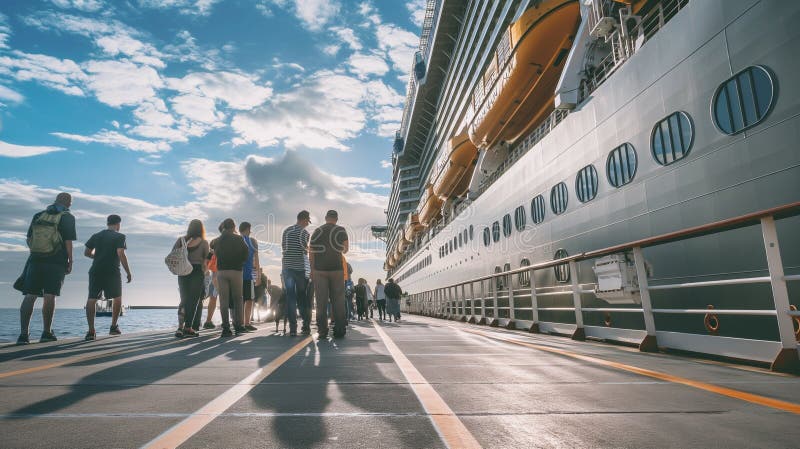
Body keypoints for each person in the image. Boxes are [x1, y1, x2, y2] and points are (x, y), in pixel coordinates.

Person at [17, 192, 77, 344]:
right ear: (69, 203)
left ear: (56, 200)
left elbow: (29, 238)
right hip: (56, 261)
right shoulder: (67, 217)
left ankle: (23, 335)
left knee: (30, 295)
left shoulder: (38, 215)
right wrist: (70, 261)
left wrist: (36, 252)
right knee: (50, 295)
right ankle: (46, 332)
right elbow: (68, 241)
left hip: (35, 259)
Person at [83, 214, 131, 340]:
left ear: (107, 223)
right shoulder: (120, 236)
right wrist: (128, 272)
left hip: (95, 271)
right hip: (112, 272)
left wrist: (98, 257)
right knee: (117, 298)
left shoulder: (96, 235)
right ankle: (114, 327)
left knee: (92, 298)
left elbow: (87, 253)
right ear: (118, 224)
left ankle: (91, 331)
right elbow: (121, 254)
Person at [310, 210, 349, 339]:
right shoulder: (341, 230)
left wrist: (312, 269)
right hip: (337, 269)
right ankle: (339, 330)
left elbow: (311, 251)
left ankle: (322, 331)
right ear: (336, 219)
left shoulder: (317, 231)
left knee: (321, 301)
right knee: (338, 300)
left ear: (326, 218)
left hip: (320, 270)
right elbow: (346, 249)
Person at [211, 218, 249, 336]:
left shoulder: (217, 240)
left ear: (223, 227)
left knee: (224, 300)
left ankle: (226, 328)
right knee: (238, 299)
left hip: (222, 272)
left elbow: (214, 252)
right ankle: (238, 326)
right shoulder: (239, 239)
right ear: (233, 227)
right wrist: (240, 262)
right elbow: (246, 253)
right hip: (236, 271)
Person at [174, 220, 209, 338]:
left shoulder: (181, 240)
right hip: (197, 271)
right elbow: (205, 263)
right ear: (201, 229)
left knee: (184, 299)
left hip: (182, 271)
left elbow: (173, 254)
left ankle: (179, 328)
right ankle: (188, 327)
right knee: (193, 301)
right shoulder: (204, 243)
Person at [281, 210, 311, 336]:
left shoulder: (286, 231)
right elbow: (304, 251)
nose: (307, 224)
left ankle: (293, 328)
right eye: (307, 222)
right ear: (303, 220)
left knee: (290, 297)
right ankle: (305, 325)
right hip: (300, 269)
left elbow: (284, 248)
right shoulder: (305, 233)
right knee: (302, 297)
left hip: (287, 269)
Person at [240, 222, 260, 331]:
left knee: (239, 299)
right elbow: (256, 260)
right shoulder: (252, 241)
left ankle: (239, 323)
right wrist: (258, 276)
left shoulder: (236, 240)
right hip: (248, 274)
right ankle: (246, 323)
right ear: (248, 229)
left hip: (237, 274)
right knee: (249, 299)